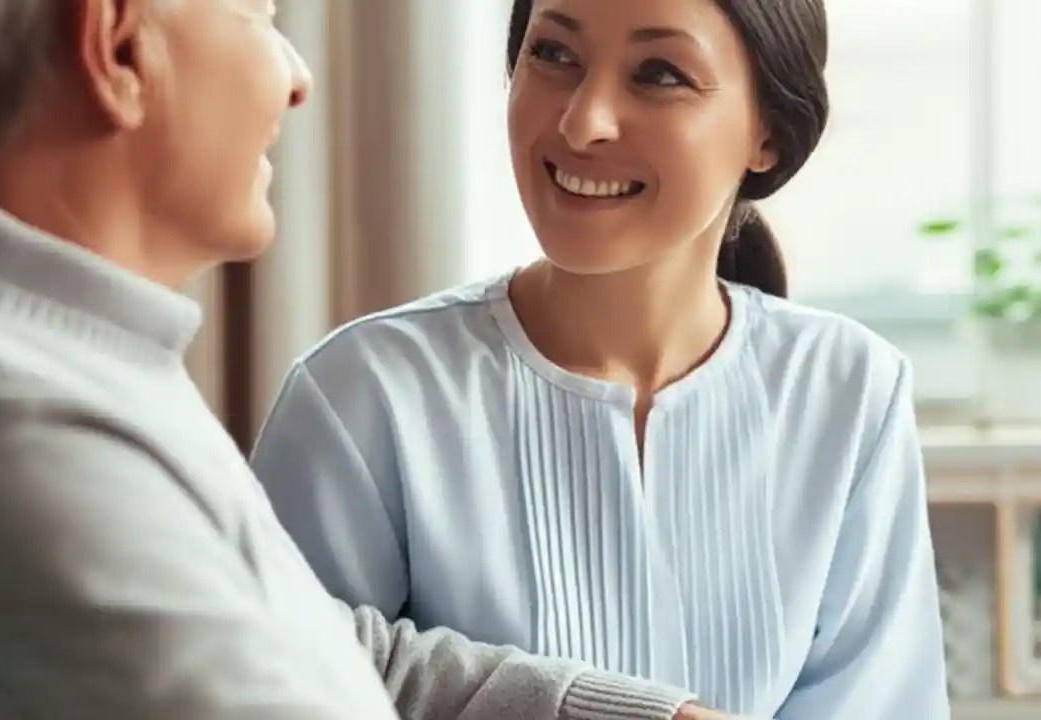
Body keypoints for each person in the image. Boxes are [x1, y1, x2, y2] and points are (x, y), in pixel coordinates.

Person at [0, 0, 721, 718]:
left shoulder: (16, 370)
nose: (296, 79)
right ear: (118, 49)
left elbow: (306, 641)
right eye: (259, 14)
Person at [251, 0, 951, 717]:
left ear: (768, 133)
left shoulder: (848, 390)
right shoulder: (363, 392)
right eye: (553, 54)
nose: (582, 122)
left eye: (660, 73)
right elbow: (263, 685)